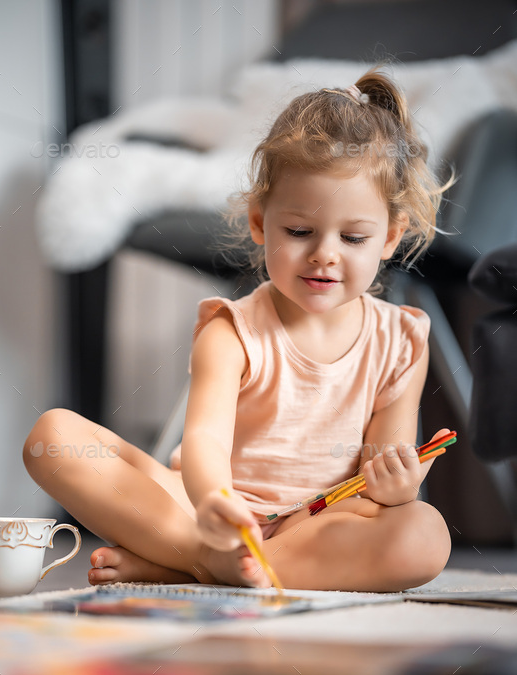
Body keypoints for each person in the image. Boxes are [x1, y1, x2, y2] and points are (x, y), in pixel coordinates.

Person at [24, 68, 453, 592]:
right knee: (53, 439)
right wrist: (215, 509)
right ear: (259, 223)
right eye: (299, 231)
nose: (325, 254)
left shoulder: (403, 340)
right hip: (208, 510)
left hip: (317, 524)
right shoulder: (231, 330)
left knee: (425, 535)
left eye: (354, 238)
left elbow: (382, 467)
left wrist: (398, 486)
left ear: (389, 237)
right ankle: (216, 559)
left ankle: (186, 565)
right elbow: (203, 441)